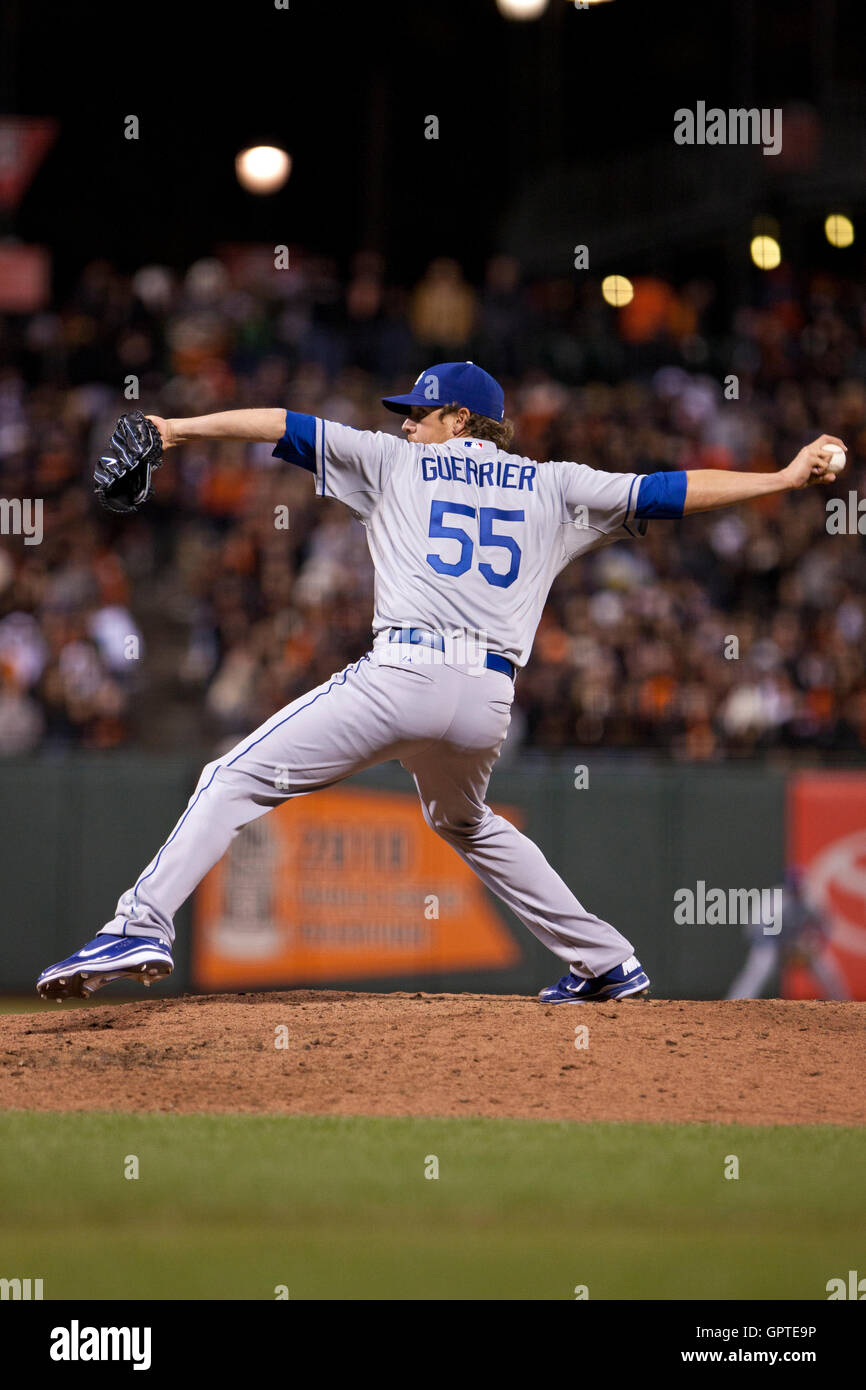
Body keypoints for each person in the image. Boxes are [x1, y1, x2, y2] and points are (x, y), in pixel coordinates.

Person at [36, 361, 846, 1005]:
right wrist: (780, 480)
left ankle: (138, 924)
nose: (405, 424)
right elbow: (668, 492)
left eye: (417, 412)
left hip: (407, 673)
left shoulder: (392, 462)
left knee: (234, 774)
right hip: (488, 700)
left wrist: (174, 428)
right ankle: (608, 962)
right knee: (464, 819)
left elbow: (279, 424)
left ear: (457, 419)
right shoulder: (554, 482)